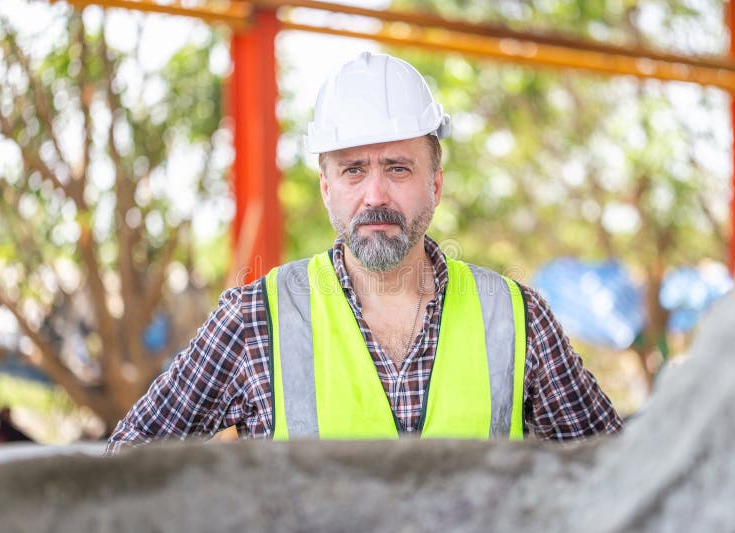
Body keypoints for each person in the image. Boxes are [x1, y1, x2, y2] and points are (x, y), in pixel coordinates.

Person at [106, 52, 621, 453]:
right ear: (327, 189)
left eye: (398, 168)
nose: (374, 195)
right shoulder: (253, 321)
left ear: (436, 184)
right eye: (353, 170)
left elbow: (621, 472)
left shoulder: (516, 319)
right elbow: (123, 467)